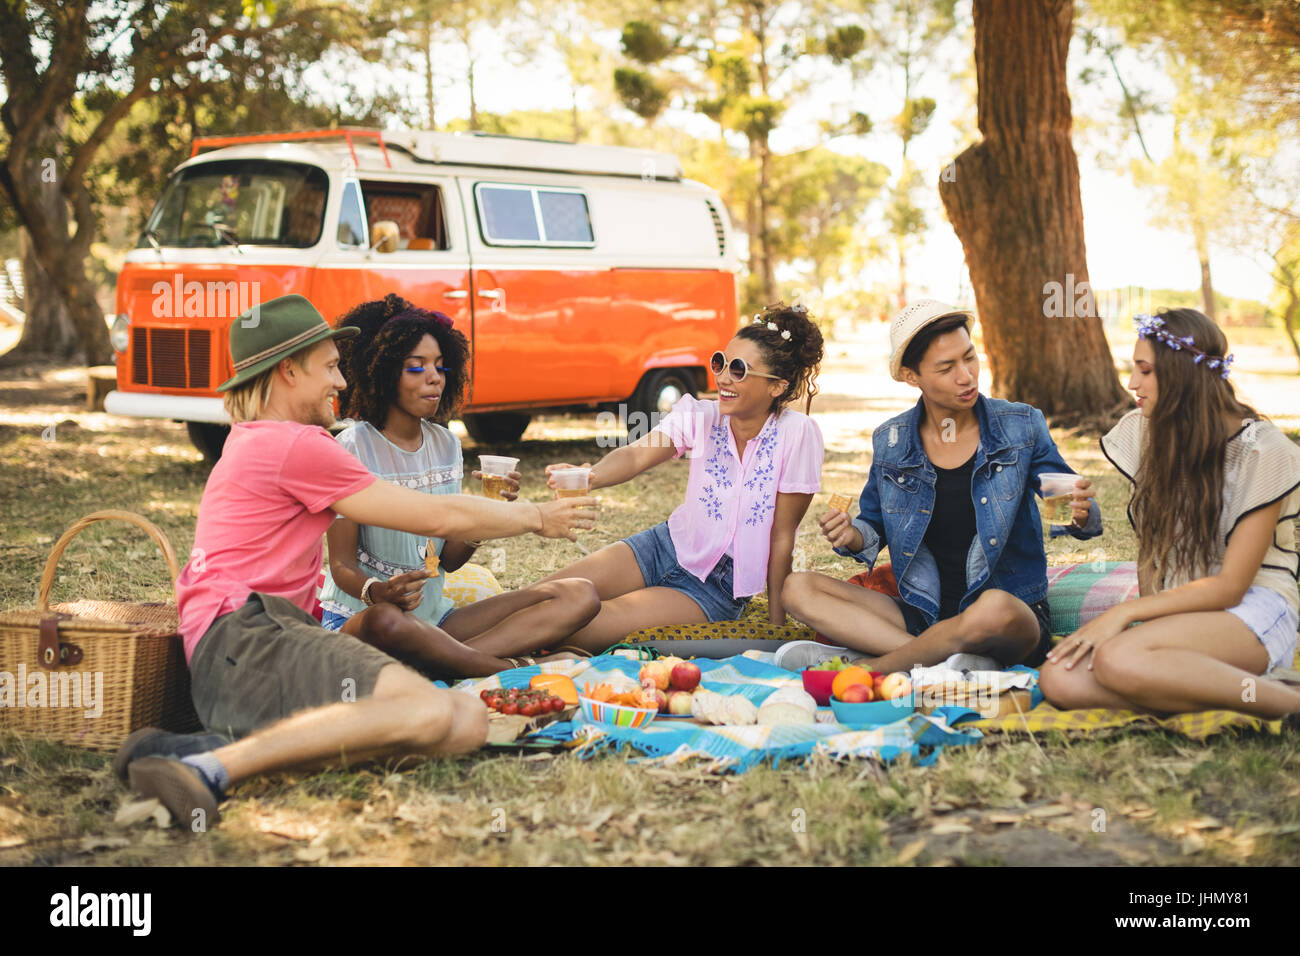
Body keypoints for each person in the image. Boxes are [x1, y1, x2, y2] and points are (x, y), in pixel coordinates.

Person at [115, 294, 596, 826]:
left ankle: (204, 748)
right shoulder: (296, 446)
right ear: (288, 371)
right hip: (247, 636)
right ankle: (209, 766)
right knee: (432, 710)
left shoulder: (266, 439)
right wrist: (537, 517)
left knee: (465, 722)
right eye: (329, 368)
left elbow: (445, 537)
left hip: (261, 642)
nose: (342, 383)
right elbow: (433, 516)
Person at [777, 299, 1101, 673]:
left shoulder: (1020, 426)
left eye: (969, 357)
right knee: (796, 588)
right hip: (923, 614)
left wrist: (1079, 513)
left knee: (993, 606)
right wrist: (851, 535)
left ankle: (873, 666)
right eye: (946, 368)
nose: (966, 376)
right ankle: (934, 661)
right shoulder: (892, 441)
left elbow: (1066, 505)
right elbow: (872, 528)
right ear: (912, 376)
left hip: (1007, 616)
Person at [317, 294, 599, 676]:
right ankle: (514, 668)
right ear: (382, 374)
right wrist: (376, 591)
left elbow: (447, 560)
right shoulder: (352, 448)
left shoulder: (446, 444)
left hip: (436, 620)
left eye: (439, 366)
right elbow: (340, 564)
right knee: (388, 620)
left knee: (579, 593)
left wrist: (485, 510)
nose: (435, 377)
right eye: (416, 368)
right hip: (367, 622)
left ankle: (441, 663)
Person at [1040, 309, 1300, 717]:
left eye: (1144, 371)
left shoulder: (1262, 451)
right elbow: (1152, 552)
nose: (1131, 383)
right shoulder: (1148, 431)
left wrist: (1126, 616)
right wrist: (1150, 627)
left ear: (1183, 376)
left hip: (1252, 608)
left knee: (1118, 660)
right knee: (1058, 678)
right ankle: (1205, 685)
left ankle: (1287, 704)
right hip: (1187, 609)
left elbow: (1232, 587)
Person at [536, 303, 826, 652]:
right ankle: (452, 639)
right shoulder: (700, 415)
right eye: (720, 362)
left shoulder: (798, 435)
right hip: (662, 546)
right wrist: (589, 476)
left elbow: (782, 537)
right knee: (538, 598)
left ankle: (475, 657)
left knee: (570, 626)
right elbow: (637, 453)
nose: (722, 378)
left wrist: (776, 630)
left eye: (738, 370)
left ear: (777, 386)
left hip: (713, 589)